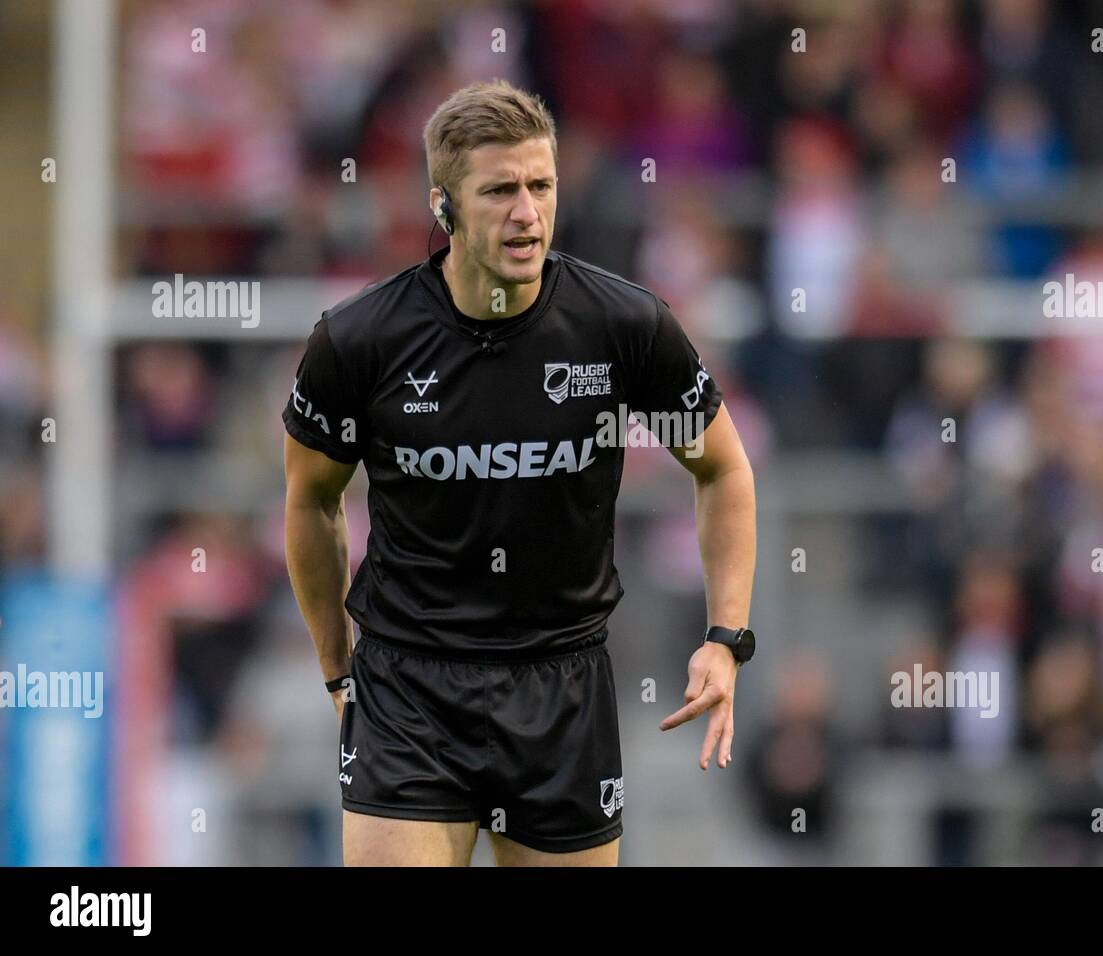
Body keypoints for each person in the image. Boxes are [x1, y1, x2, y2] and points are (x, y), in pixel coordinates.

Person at [282, 79, 757, 866]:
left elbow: (723, 471)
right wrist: (338, 669)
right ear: (444, 207)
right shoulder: (361, 342)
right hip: (408, 690)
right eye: (500, 190)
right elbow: (311, 501)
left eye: (541, 186)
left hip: (560, 689)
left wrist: (724, 637)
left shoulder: (623, 328)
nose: (527, 213)